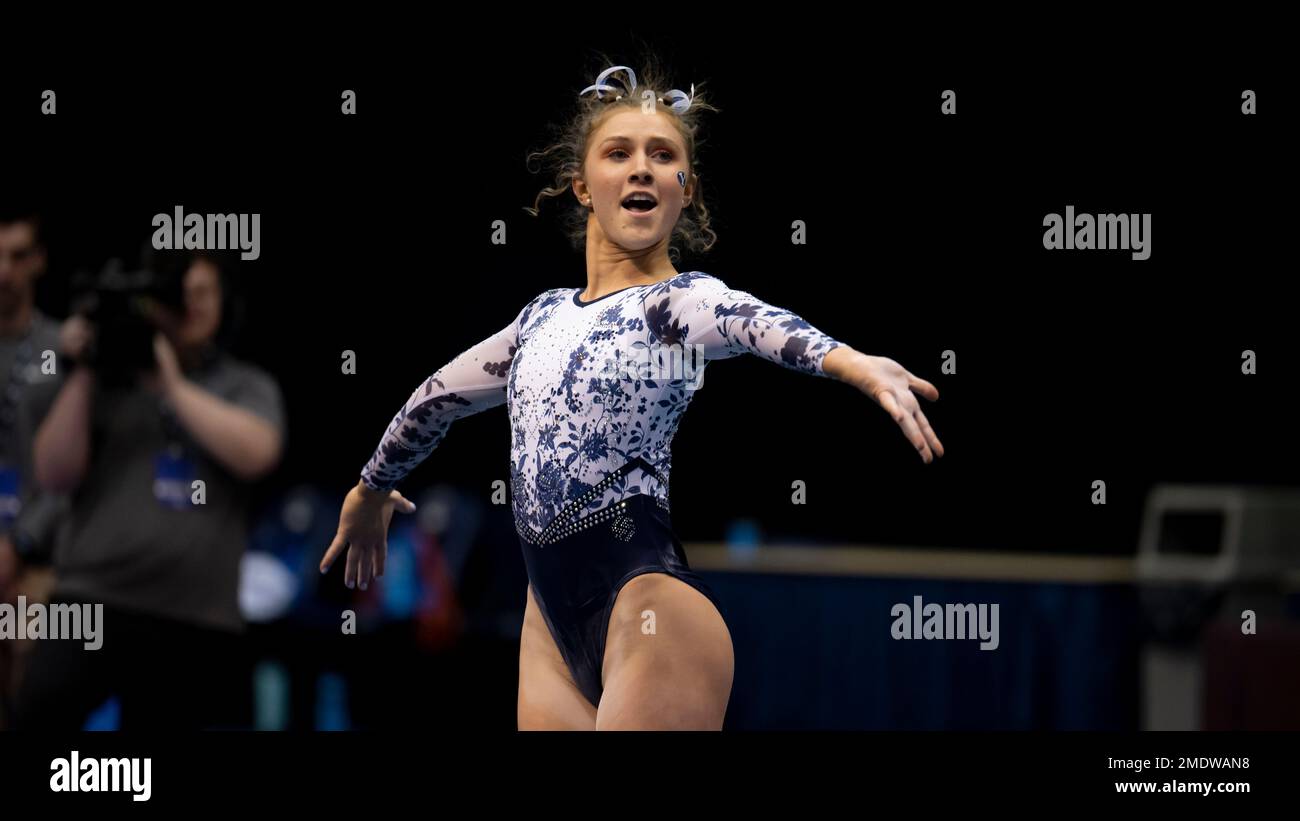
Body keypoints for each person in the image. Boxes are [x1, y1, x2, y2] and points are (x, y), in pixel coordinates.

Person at [320, 62, 944, 730]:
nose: (642, 168)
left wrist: (853, 364)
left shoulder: (672, 303)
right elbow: (438, 396)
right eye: (619, 153)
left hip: (649, 610)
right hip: (549, 631)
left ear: (686, 188)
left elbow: (754, 321)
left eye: (663, 155)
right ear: (582, 186)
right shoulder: (540, 317)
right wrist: (371, 486)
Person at [14, 251, 286, 730]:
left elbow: (258, 453)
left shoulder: (245, 384)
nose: (193, 305)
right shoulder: (105, 381)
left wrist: (169, 386)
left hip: (195, 617)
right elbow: (53, 474)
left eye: (205, 292)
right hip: (90, 601)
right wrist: (84, 365)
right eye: (182, 293)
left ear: (226, 302)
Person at [0, 209, 67, 728]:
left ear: (38, 261)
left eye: (18, 256)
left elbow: (72, 473)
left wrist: (18, 542)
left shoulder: (62, 350)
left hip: (36, 558)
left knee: (29, 674)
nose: (4, 271)